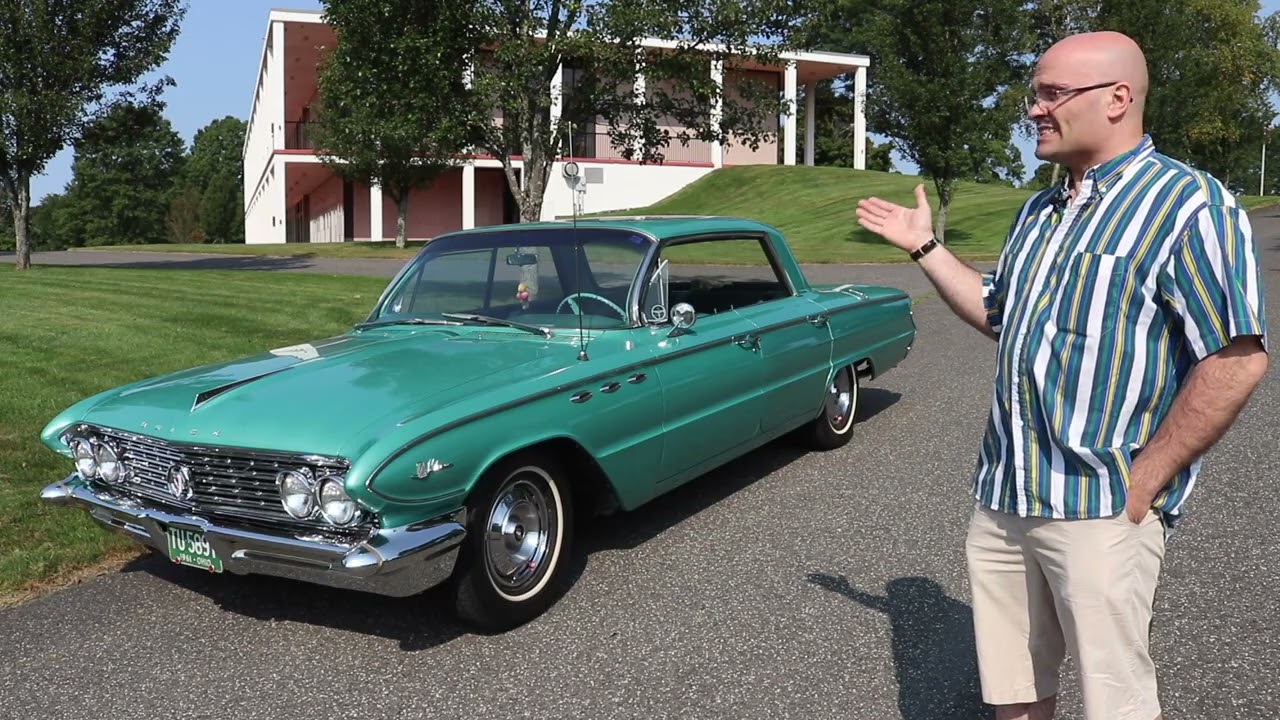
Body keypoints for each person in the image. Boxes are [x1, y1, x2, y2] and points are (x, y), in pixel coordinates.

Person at [855, 31, 1269, 720]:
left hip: (1101, 505)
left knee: (1116, 703)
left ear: (1118, 99)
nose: (1034, 111)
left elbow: (1236, 356)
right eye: (1034, 94)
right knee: (1015, 692)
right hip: (1005, 496)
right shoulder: (1040, 212)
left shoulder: (1188, 203)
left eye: (1052, 94)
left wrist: (1145, 478)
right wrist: (925, 247)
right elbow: (1000, 315)